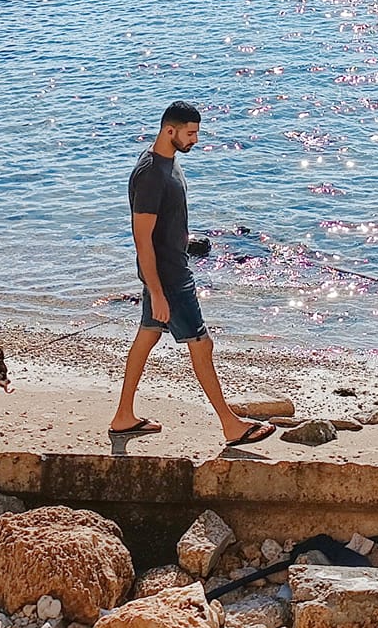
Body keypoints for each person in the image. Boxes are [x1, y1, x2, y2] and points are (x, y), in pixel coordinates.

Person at [110, 100, 273, 446]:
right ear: (170, 130)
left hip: (171, 271)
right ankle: (230, 424)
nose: (196, 139)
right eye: (191, 133)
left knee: (147, 337)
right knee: (201, 344)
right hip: (168, 279)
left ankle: (123, 416)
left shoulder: (168, 163)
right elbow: (142, 239)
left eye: (196, 132)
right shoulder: (151, 175)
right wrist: (156, 291)